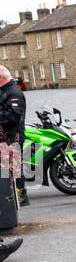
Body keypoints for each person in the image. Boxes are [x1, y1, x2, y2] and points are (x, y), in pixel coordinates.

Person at [0, 62, 28, 206]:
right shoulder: (5, 90)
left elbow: (13, 116)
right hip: (5, 138)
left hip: (13, 136)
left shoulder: (14, 92)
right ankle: (9, 197)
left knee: (15, 168)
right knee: (6, 169)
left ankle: (21, 197)